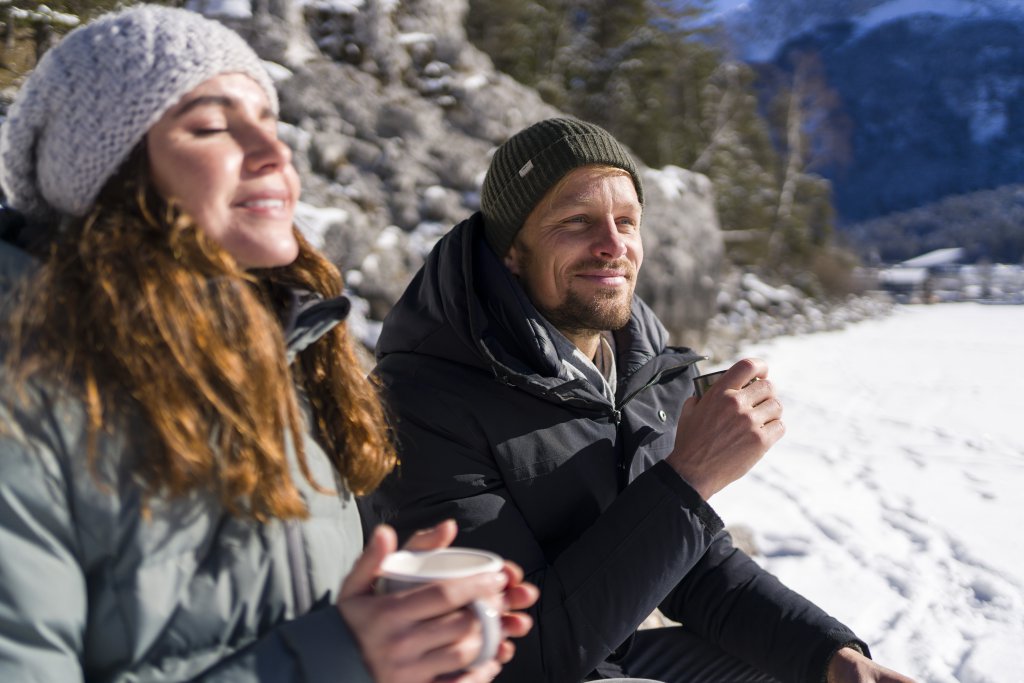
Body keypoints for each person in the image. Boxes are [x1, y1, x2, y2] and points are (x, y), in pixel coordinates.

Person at [0, 5, 537, 681]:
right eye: (213, 126)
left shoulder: (285, 358)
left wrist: (395, 633)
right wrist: (342, 656)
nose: (274, 151)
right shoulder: (22, 395)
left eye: (270, 121)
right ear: (107, 178)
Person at [363, 118, 917, 683]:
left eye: (627, 222)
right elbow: (508, 658)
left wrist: (830, 656)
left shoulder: (636, 368)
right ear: (511, 250)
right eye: (577, 221)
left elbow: (688, 566)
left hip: (605, 652)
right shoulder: (423, 400)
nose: (613, 246)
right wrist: (689, 477)